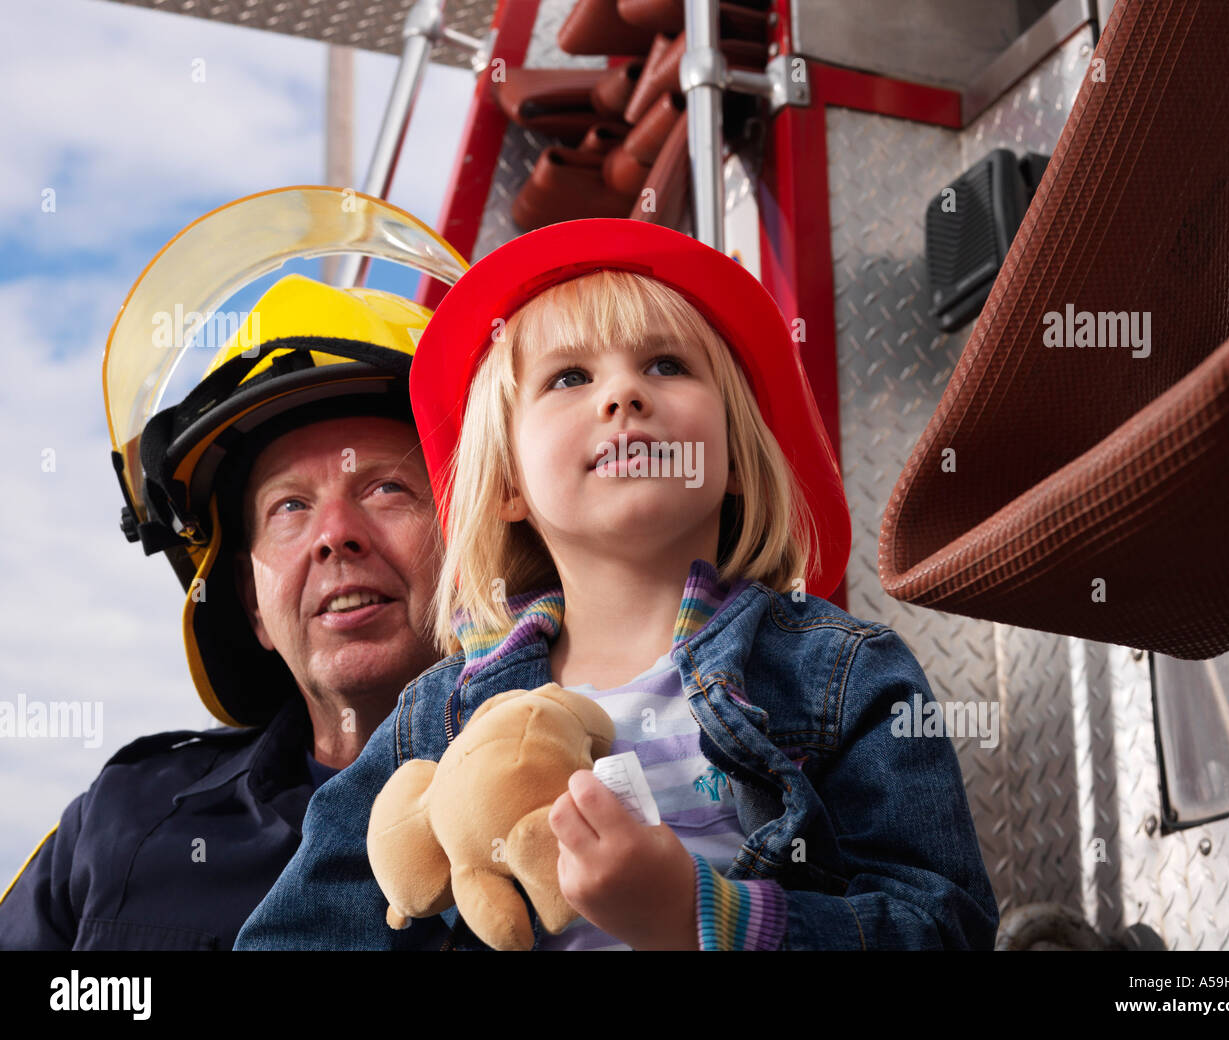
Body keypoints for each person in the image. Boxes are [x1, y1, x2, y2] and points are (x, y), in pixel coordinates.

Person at [236, 217, 999, 950]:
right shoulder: (436, 719)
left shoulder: (840, 676)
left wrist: (699, 917)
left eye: (666, 365)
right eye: (569, 377)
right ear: (506, 484)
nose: (623, 395)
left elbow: (943, 926)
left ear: (735, 457)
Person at [0, 258, 455, 949]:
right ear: (249, 602)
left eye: (386, 489)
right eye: (290, 507)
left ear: (475, 539)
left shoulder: (587, 799)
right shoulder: (115, 828)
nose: (335, 536)